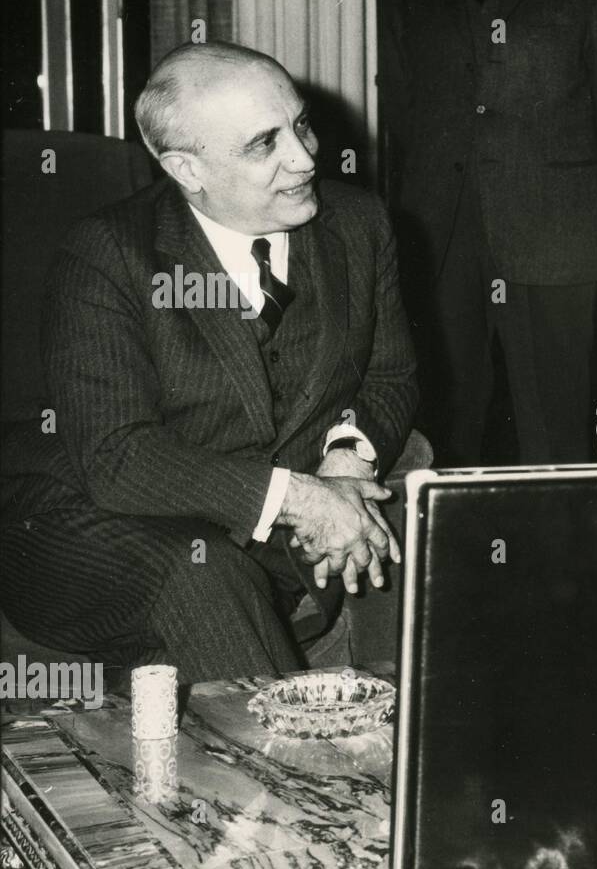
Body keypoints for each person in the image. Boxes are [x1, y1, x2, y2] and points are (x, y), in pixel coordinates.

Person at [0, 42, 419, 683]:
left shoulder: (356, 224)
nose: (305, 157)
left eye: (301, 124)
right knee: (202, 571)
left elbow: (390, 377)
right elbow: (118, 456)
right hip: (88, 524)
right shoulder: (107, 254)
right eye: (264, 144)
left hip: (262, 543)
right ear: (186, 169)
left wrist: (346, 458)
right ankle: (302, 772)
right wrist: (298, 498)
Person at [381, 0, 597, 466]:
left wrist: (559, 176)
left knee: (556, 419)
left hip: (554, 228)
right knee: (441, 418)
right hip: (437, 231)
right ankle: (451, 537)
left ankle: (558, 540)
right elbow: (401, 99)